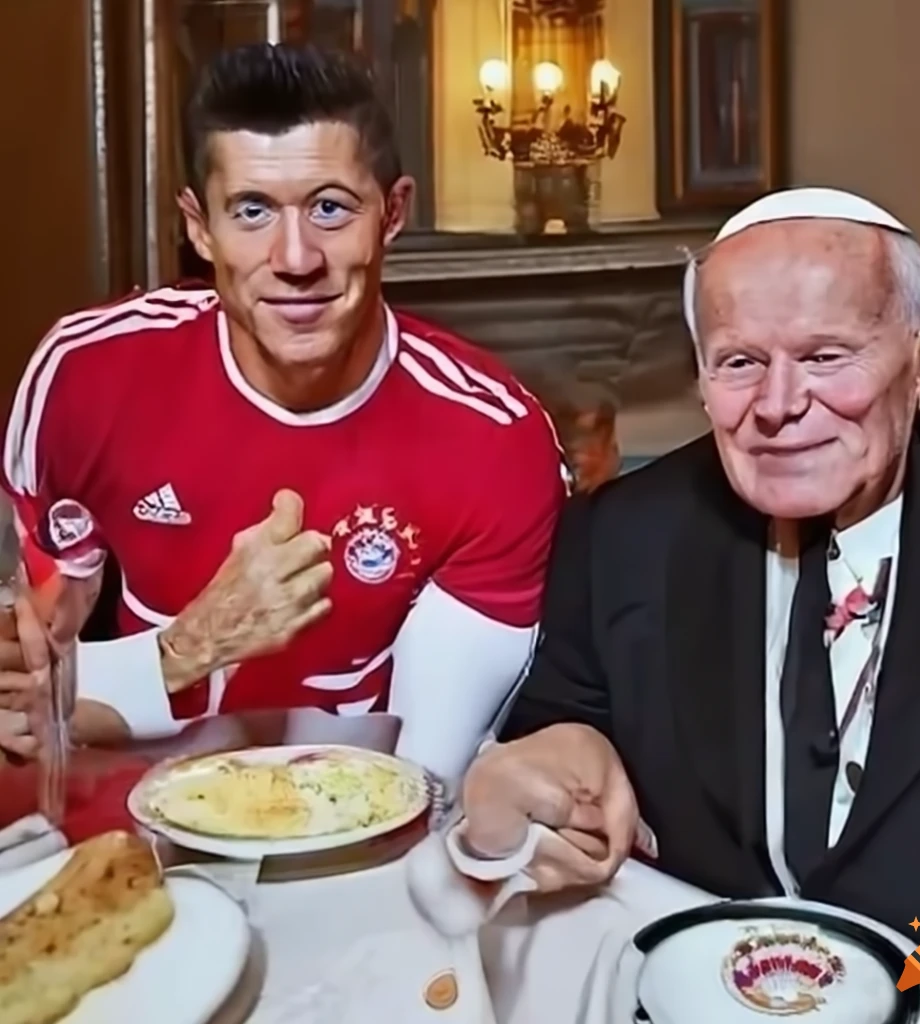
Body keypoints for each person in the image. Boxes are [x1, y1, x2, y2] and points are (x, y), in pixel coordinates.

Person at [451, 187, 920, 1007]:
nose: (780, 405)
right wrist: (541, 768)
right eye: (740, 362)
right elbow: (557, 730)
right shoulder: (619, 535)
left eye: (827, 356)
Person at [0, 44, 567, 787]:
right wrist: (190, 646)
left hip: (353, 824)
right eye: (253, 211)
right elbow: (27, 701)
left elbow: (420, 778)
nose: (295, 257)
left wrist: (116, 688)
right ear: (200, 228)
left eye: (330, 208)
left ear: (392, 214)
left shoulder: (496, 440)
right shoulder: (84, 373)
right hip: (122, 806)